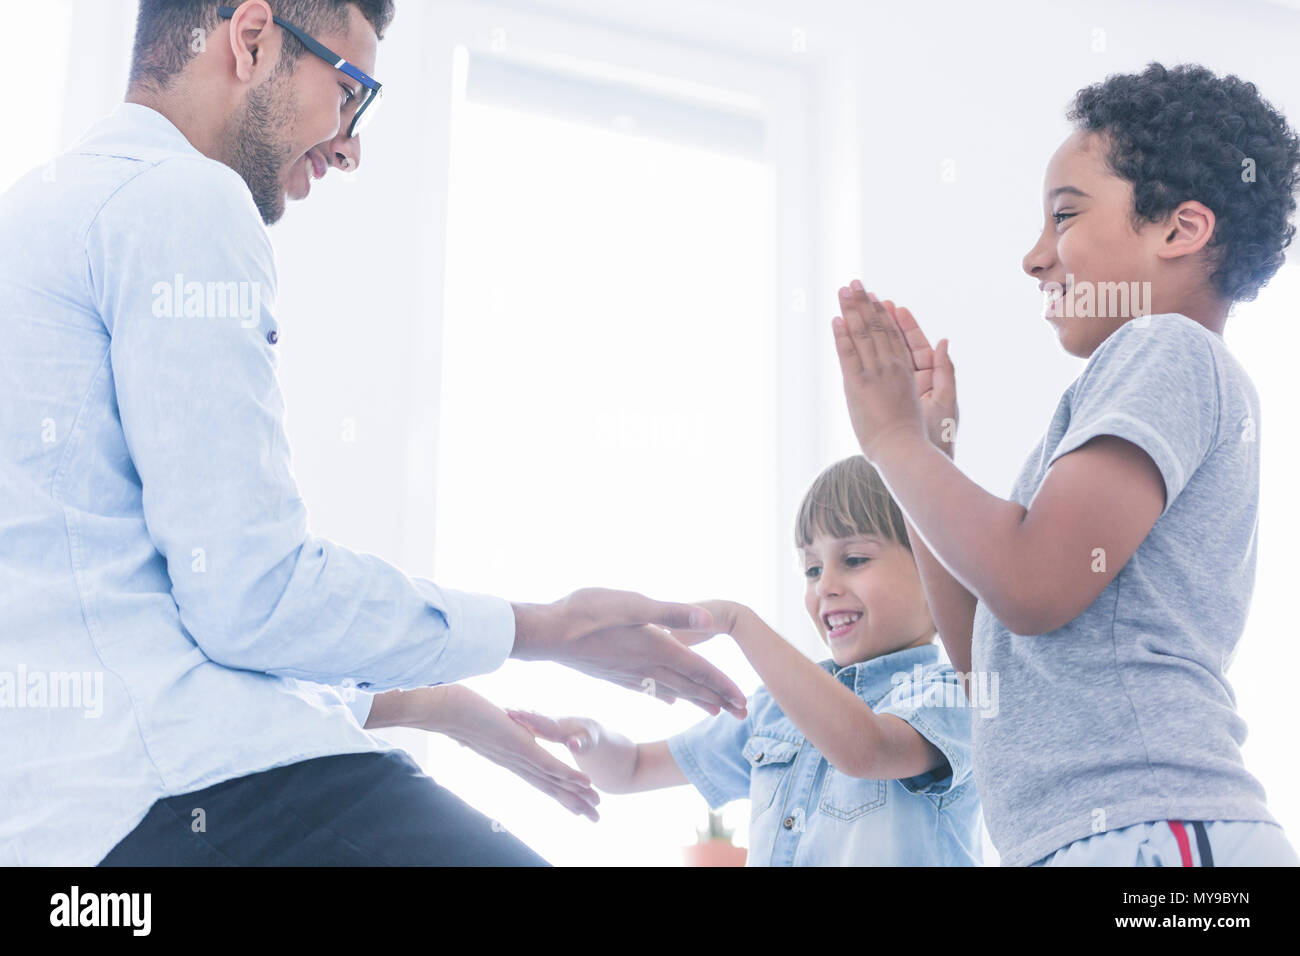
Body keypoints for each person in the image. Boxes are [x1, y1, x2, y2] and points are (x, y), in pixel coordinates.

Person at [0, 0, 745, 867]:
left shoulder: (34, 221)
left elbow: (119, 617)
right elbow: (252, 599)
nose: (350, 145)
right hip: (203, 798)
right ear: (251, 40)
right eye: (349, 89)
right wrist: (551, 628)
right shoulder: (179, 197)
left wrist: (432, 704)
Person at [828, 63, 1300, 866]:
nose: (1034, 258)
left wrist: (894, 443)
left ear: (1179, 231)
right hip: (1104, 836)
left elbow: (1034, 588)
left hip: (1149, 834)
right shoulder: (1138, 382)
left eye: (1065, 217)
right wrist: (928, 450)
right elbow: (988, 655)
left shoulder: (1166, 348)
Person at [511, 456, 984, 866]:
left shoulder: (957, 694)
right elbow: (632, 769)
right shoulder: (774, 714)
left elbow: (869, 749)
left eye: (855, 559)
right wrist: (590, 738)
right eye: (813, 569)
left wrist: (739, 623)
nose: (825, 586)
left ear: (934, 570)